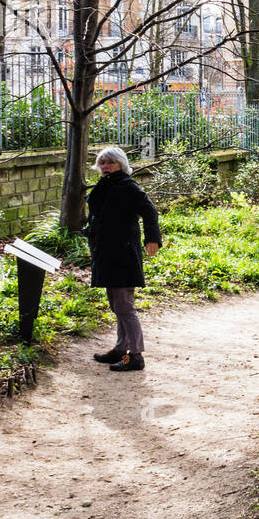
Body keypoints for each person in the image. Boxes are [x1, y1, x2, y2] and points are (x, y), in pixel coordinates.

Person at [87, 145, 162, 372]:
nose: (105, 166)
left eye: (110, 162)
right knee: (116, 304)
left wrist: (152, 239)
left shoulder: (127, 186)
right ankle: (121, 349)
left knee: (124, 306)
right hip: (107, 253)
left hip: (123, 254)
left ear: (121, 164)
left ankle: (136, 355)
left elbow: (149, 211)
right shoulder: (105, 185)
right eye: (102, 163)